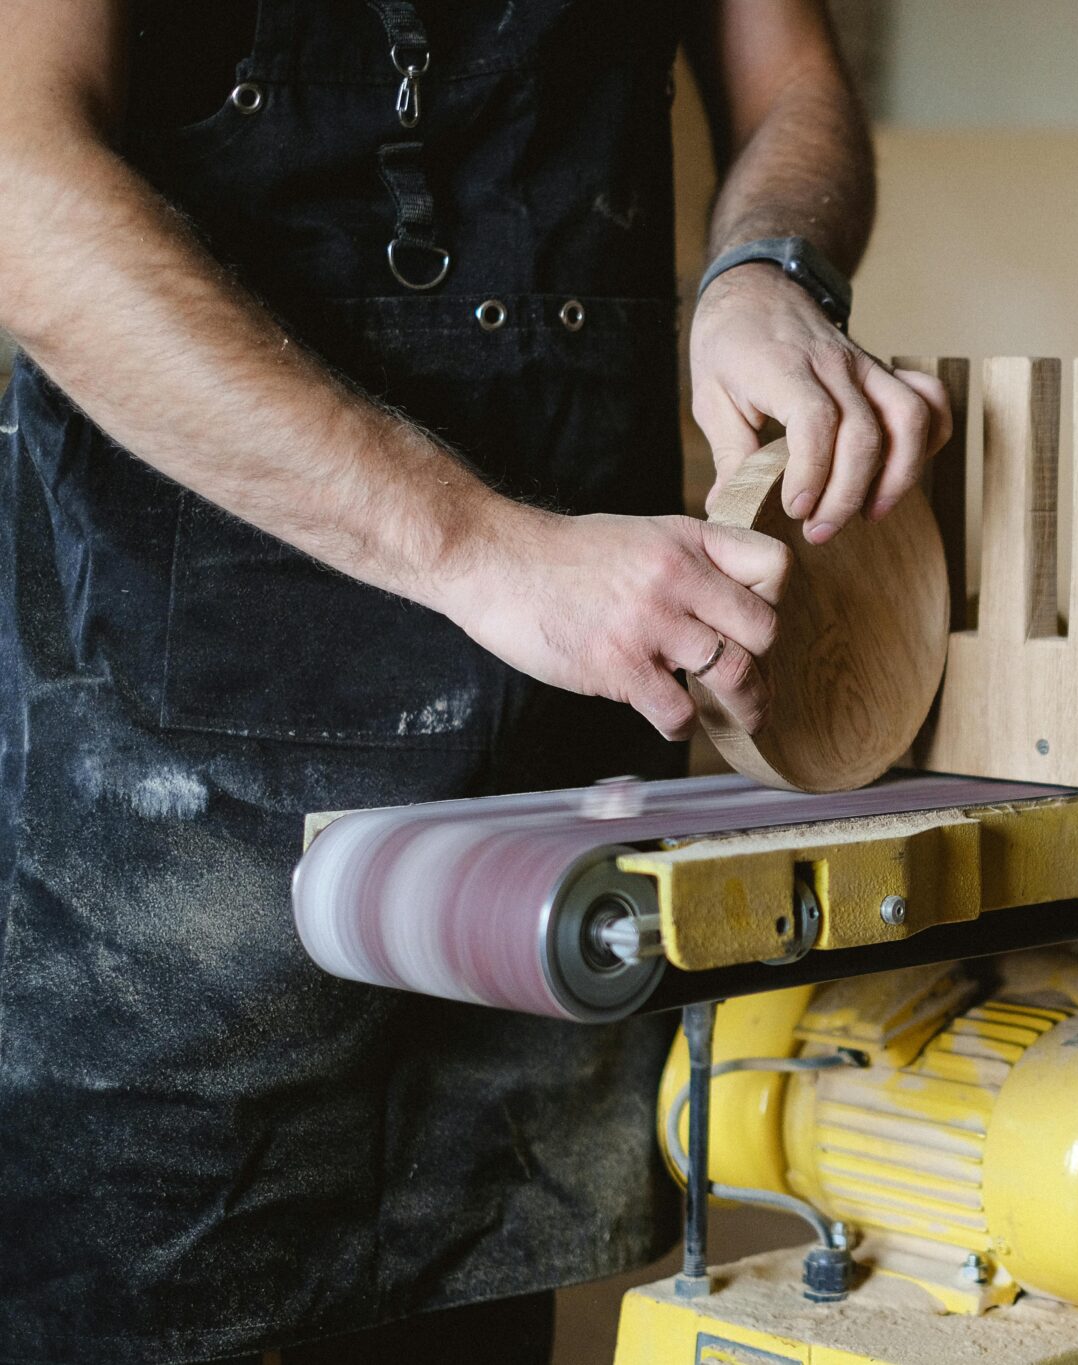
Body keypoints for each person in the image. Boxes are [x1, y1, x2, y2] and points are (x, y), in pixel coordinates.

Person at [0, 2, 946, 1361]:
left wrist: (765, 270)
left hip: (564, 746)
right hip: (177, 767)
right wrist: (479, 551)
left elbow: (790, 74)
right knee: (140, 1293)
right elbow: (22, 191)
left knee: (479, 1297)